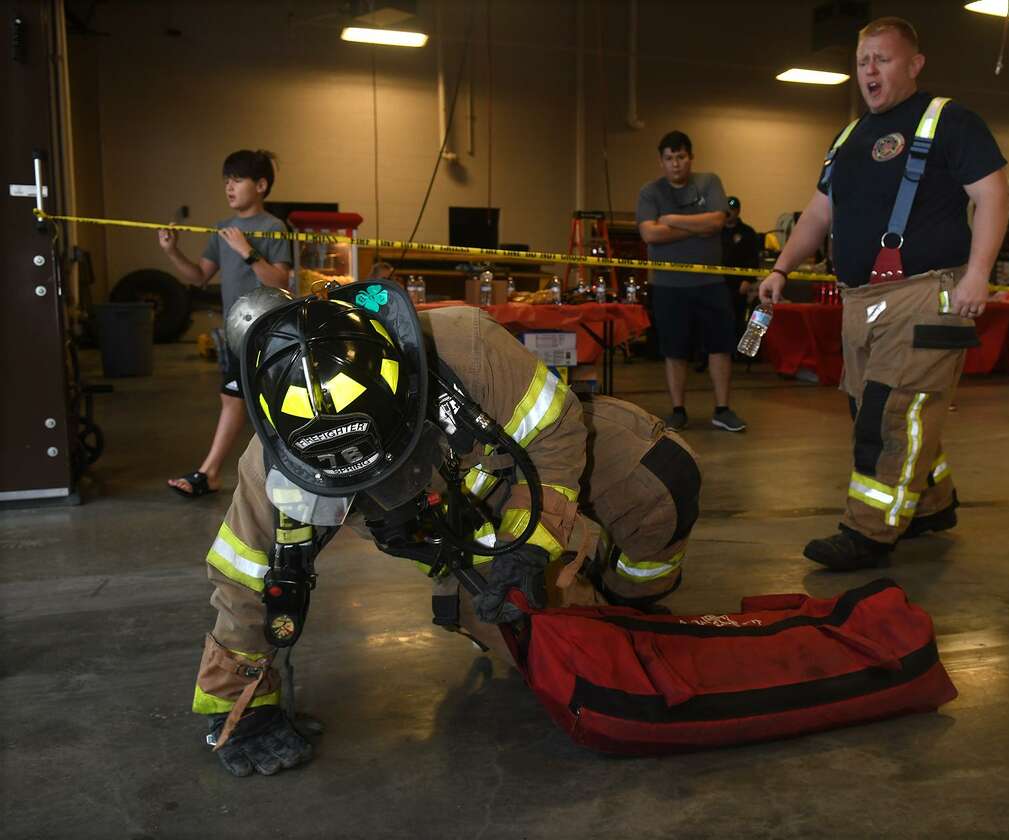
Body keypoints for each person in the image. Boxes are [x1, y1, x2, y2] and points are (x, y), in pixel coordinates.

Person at [191, 281, 701, 776]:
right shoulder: (272, 470)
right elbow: (245, 578)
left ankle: (639, 598)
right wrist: (240, 704)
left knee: (656, 484)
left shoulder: (464, 348)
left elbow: (553, 431)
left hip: (523, 466)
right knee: (558, 650)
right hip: (455, 529)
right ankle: (467, 597)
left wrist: (531, 540)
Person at [758, 16, 1009, 570]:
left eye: (883, 58)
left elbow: (994, 197)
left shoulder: (950, 120)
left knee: (890, 414)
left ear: (914, 64)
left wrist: (977, 274)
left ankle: (869, 532)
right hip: (858, 301)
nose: (869, 70)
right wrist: (781, 267)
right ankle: (931, 504)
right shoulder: (847, 137)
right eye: (862, 60)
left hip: (925, 295)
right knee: (875, 408)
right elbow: (819, 213)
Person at [158, 149, 292, 497]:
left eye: (237, 180)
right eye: (226, 181)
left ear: (261, 185)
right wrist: (172, 252)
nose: (229, 187)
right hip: (237, 333)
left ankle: (213, 472)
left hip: (266, 332)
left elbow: (280, 282)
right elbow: (200, 277)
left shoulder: (273, 228)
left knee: (254, 401)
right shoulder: (221, 228)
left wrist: (247, 251)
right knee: (235, 399)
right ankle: (215, 472)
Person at [637, 131, 747, 433]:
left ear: (691, 158)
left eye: (681, 157)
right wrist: (699, 227)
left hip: (710, 282)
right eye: (670, 158)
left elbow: (716, 222)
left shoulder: (709, 182)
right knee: (674, 350)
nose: (676, 164)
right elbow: (650, 234)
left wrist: (670, 219)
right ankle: (678, 410)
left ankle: (722, 409)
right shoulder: (650, 192)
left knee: (720, 346)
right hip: (668, 286)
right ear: (661, 161)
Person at [722, 196, 760, 347]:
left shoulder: (747, 232)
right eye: (726, 210)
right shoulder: (716, 231)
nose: (729, 212)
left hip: (738, 284)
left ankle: (736, 352)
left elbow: (752, 259)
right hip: (718, 282)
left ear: (738, 211)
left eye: (732, 209)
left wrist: (747, 280)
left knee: (737, 318)